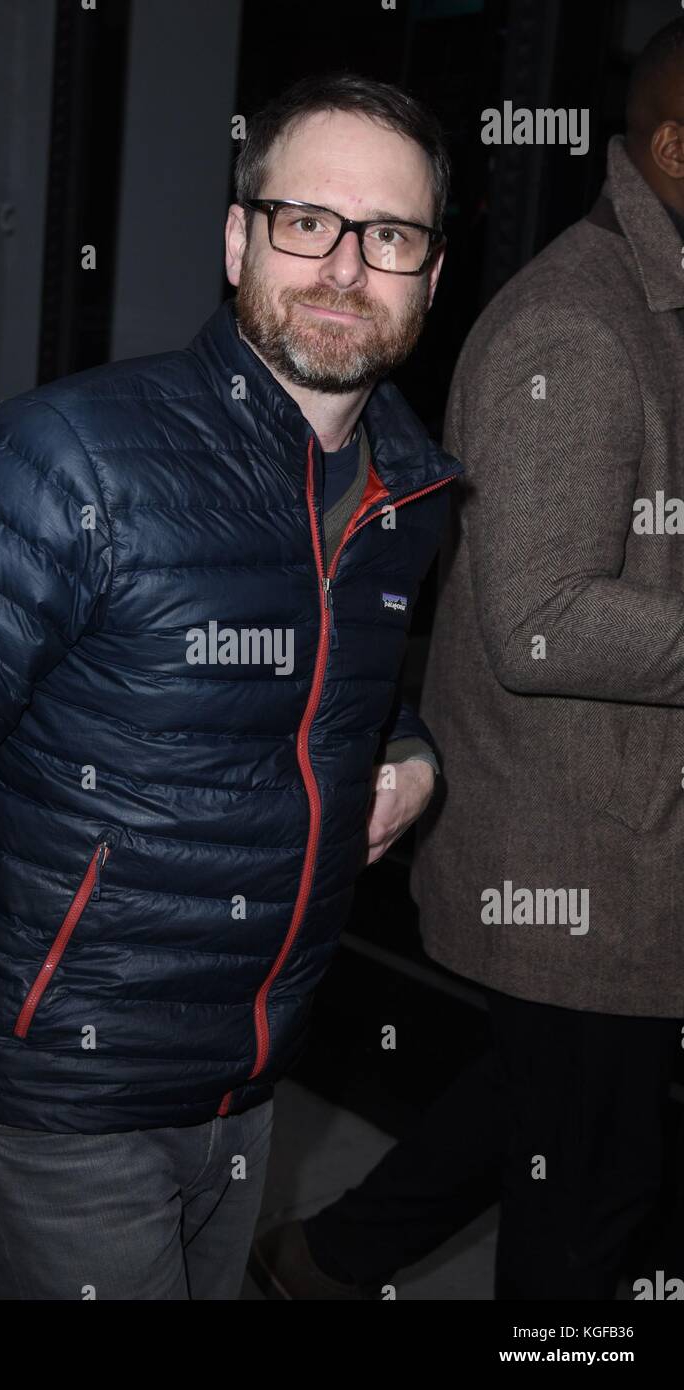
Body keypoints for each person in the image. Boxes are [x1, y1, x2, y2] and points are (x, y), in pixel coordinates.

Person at [0, 71, 461, 1300]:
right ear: (236, 237)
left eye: (390, 236)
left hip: (249, 1075)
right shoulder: (67, 460)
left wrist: (413, 756)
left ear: (431, 270)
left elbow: (325, 667)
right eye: (304, 221)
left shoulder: (405, 492)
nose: (344, 266)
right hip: (62, 1085)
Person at [251, 19, 684, 1302]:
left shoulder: (653, 300)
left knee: (532, 1103)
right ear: (671, 148)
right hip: (581, 862)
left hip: (620, 842)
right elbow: (539, 614)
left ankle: (327, 1257)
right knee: (594, 1187)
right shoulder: (578, 326)